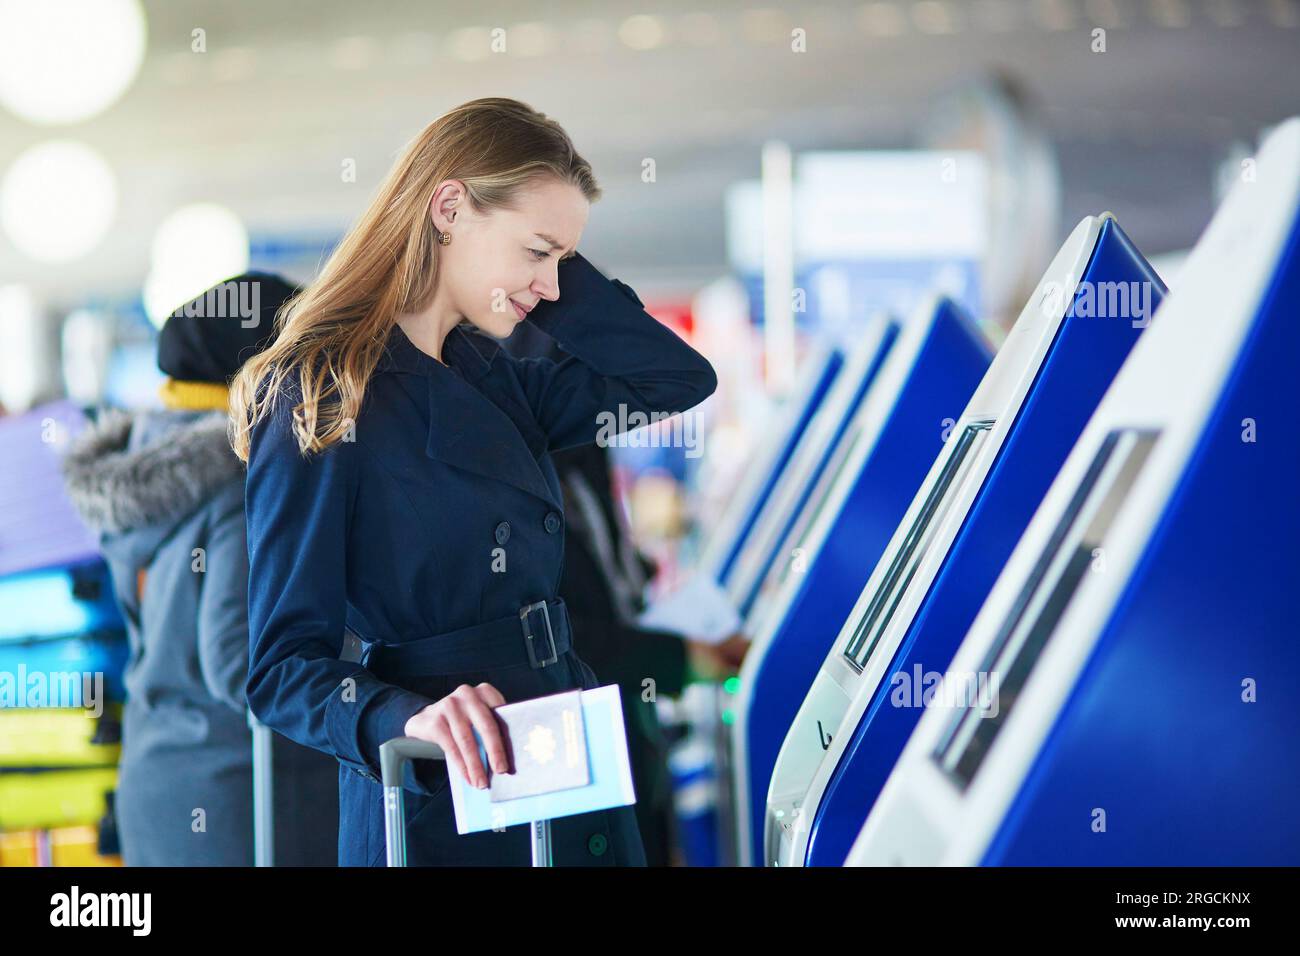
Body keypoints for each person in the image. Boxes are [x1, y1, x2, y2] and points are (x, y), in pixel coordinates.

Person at [229, 97, 718, 867]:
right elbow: (280, 666)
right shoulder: (322, 392)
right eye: (537, 252)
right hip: (445, 783)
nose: (552, 287)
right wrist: (400, 718)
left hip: (559, 740)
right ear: (448, 207)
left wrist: (547, 261)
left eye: (564, 261)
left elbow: (676, 377)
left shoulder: (496, 375)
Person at [61, 272, 339, 866]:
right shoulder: (240, 477)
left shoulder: (143, 464)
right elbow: (239, 665)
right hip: (243, 798)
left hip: (158, 781)